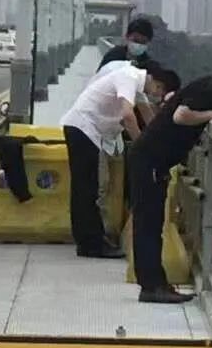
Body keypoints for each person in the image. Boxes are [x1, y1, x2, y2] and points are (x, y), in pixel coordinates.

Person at [127, 73, 212, 303]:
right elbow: (181, 116)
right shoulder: (208, 92)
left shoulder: (206, 89)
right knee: (148, 226)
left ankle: (156, 283)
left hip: (152, 163)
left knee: (152, 225)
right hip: (149, 162)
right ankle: (151, 286)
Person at [62, 59, 159, 257]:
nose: (156, 95)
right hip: (83, 128)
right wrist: (142, 147)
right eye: (158, 90)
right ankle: (91, 243)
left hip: (86, 130)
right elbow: (128, 116)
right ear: (155, 80)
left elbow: (148, 115)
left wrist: (158, 139)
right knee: (86, 189)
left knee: (87, 187)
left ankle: (90, 240)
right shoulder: (129, 76)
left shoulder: (136, 85)